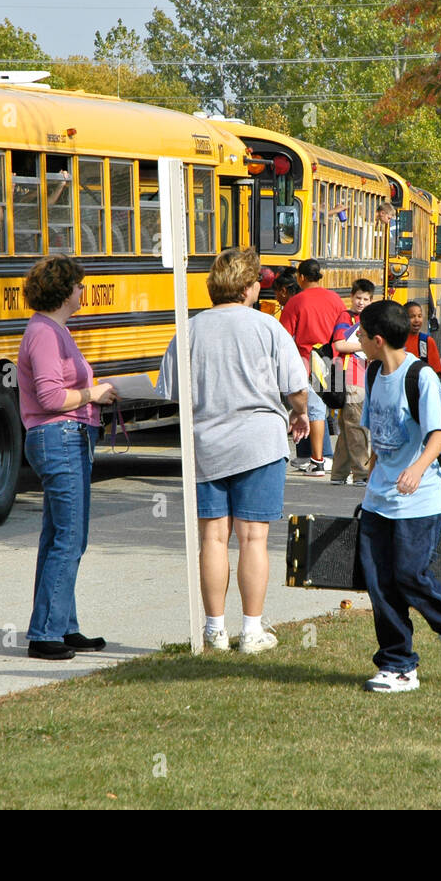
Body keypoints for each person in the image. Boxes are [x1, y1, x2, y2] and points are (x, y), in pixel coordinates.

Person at [159, 247, 310, 650]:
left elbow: (172, 390)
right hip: (259, 443)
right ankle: (252, 629)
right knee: (253, 539)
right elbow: (296, 389)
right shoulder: (268, 327)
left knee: (212, 539)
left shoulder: (189, 328)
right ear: (248, 287)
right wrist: (300, 414)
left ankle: (214, 629)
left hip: (206, 444)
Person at [355, 299, 441, 692]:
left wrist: (417, 467)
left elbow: (438, 434)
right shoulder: (373, 373)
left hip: (419, 499)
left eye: (360, 334)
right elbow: (379, 427)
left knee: (410, 575)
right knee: (380, 584)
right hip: (379, 500)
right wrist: (377, 461)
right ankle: (398, 666)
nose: (355, 339)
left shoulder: (420, 376)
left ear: (377, 340)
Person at [17, 255, 118, 660]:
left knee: (59, 535)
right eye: (79, 285)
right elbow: (50, 397)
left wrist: (98, 393)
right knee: (69, 537)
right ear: (63, 290)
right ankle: (45, 633)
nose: (83, 291)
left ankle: (62, 624)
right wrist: (93, 393)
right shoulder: (44, 333)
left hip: (68, 436)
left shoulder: (57, 330)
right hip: (57, 437)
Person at [280, 258, 348, 477]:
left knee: (315, 410)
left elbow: (284, 336)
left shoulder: (296, 302)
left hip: (307, 360)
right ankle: (318, 457)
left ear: (301, 277)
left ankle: (317, 461)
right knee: (325, 408)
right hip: (332, 360)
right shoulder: (336, 300)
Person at [329, 279, 375, 485]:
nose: (361, 302)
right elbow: (339, 343)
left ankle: (339, 474)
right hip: (351, 378)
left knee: (347, 430)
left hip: (361, 378)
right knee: (357, 429)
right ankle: (361, 473)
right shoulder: (346, 318)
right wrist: (365, 346)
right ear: (351, 296)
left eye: (366, 299)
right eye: (358, 298)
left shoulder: (368, 320)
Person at [404, 301, 441, 375]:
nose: (417, 320)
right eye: (412, 317)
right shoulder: (397, 341)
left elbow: (437, 371)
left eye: (419, 316)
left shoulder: (426, 341)